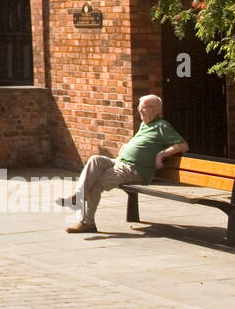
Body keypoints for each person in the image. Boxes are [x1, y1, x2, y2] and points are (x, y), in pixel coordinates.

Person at [63, 94, 188, 233]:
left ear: (156, 110)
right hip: (121, 162)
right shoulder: (145, 125)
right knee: (95, 160)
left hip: (134, 170)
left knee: (96, 183)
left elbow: (182, 145)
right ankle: (78, 195)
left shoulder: (161, 126)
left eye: (144, 107)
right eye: (139, 107)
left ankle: (87, 222)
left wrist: (162, 154)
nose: (140, 110)